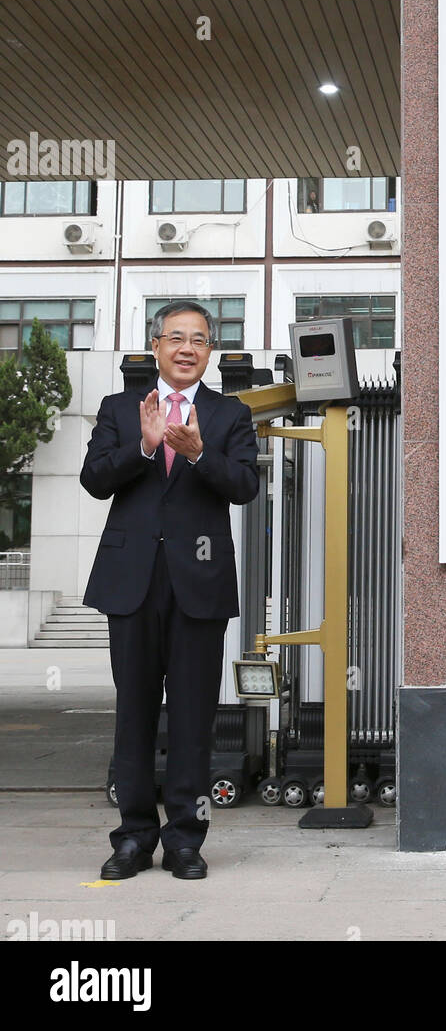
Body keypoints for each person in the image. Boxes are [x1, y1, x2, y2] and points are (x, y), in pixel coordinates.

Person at [81, 301, 259, 880]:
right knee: (133, 714)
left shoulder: (229, 414)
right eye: (176, 337)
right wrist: (143, 447)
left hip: (199, 585)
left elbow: (244, 487)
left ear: (210, 352)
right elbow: (94, 480)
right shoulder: (120, 409)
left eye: (200, 340)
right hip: (131, 582)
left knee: (192, 716)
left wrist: (198, 453)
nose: (188, 348)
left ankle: (185, 837)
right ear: (156, 346)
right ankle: (133, 837)